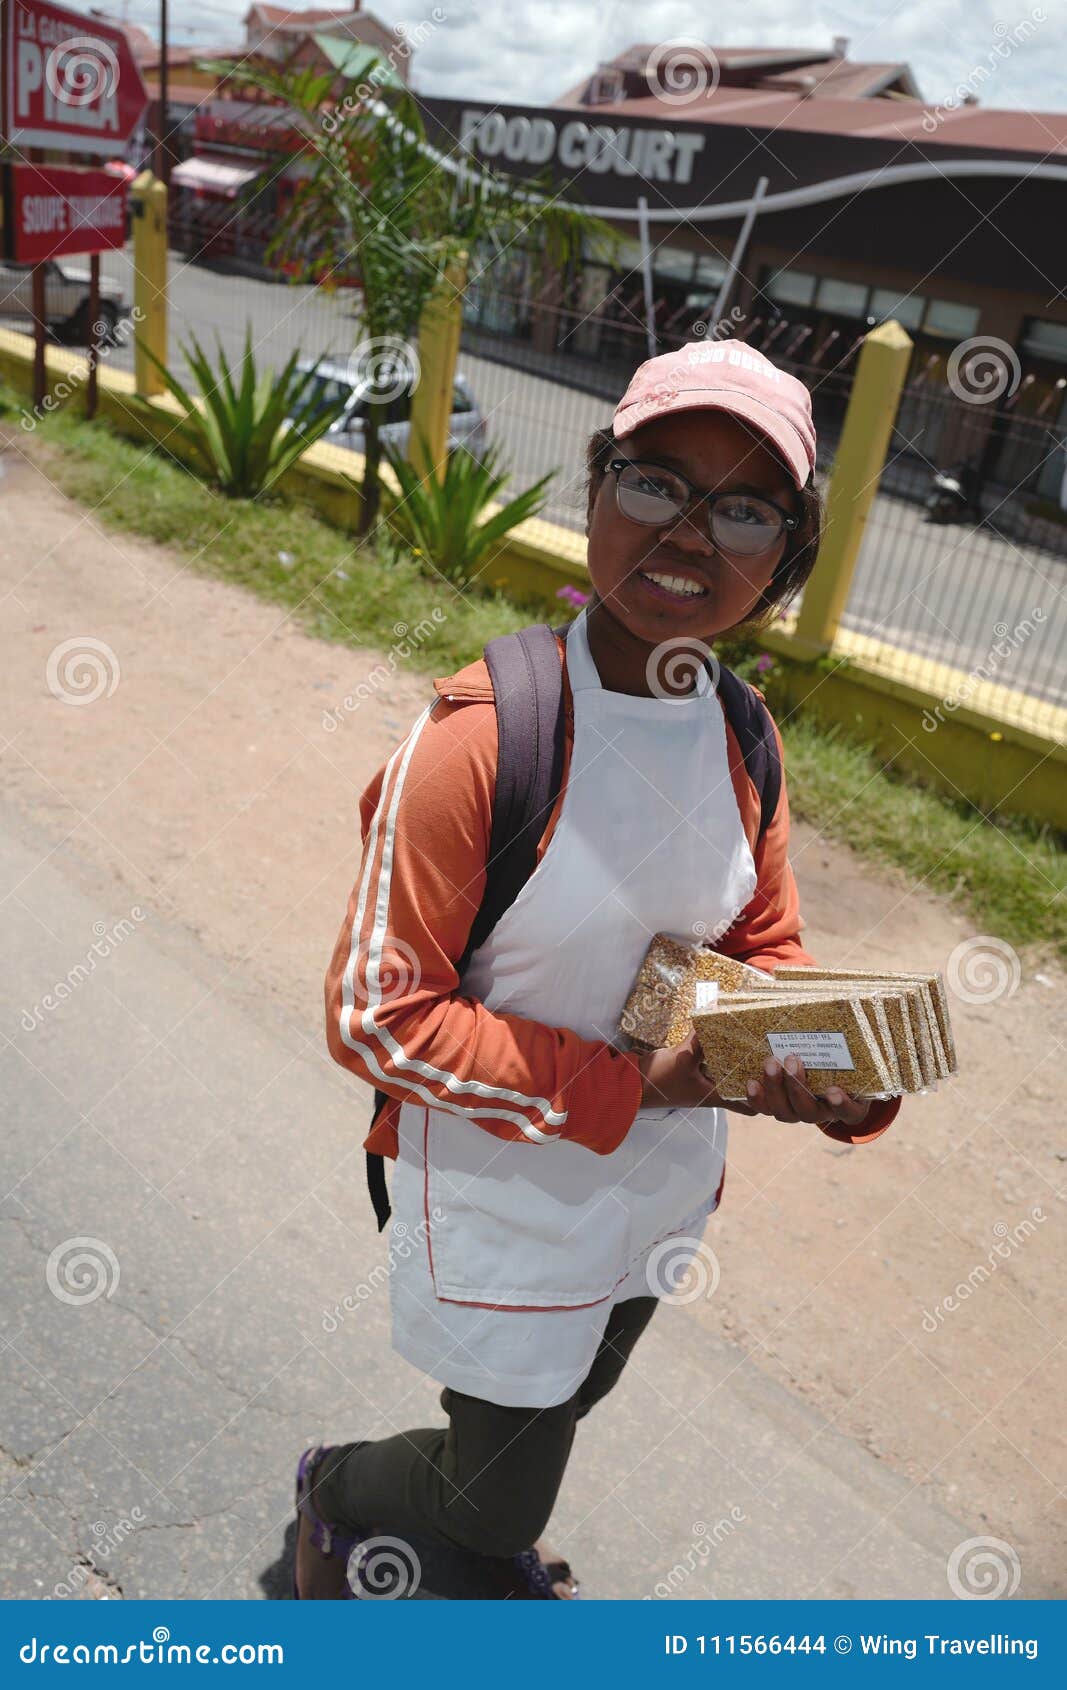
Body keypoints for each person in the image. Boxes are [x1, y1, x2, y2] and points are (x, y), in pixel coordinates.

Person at [298, 339, 901, 1600]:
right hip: (489, 1185)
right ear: (593, 493)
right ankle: (344, 1486)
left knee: (579, 1384)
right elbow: (376, 1015)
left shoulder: (743, 734)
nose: (688, 531)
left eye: (741, 506)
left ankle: (472, 1515)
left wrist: (816, 1053)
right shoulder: (482, 739)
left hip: (653, 1191)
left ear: (782, 561)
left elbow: (749, 943)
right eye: (652, 483)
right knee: (497, 1483)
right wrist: (639, 1086)